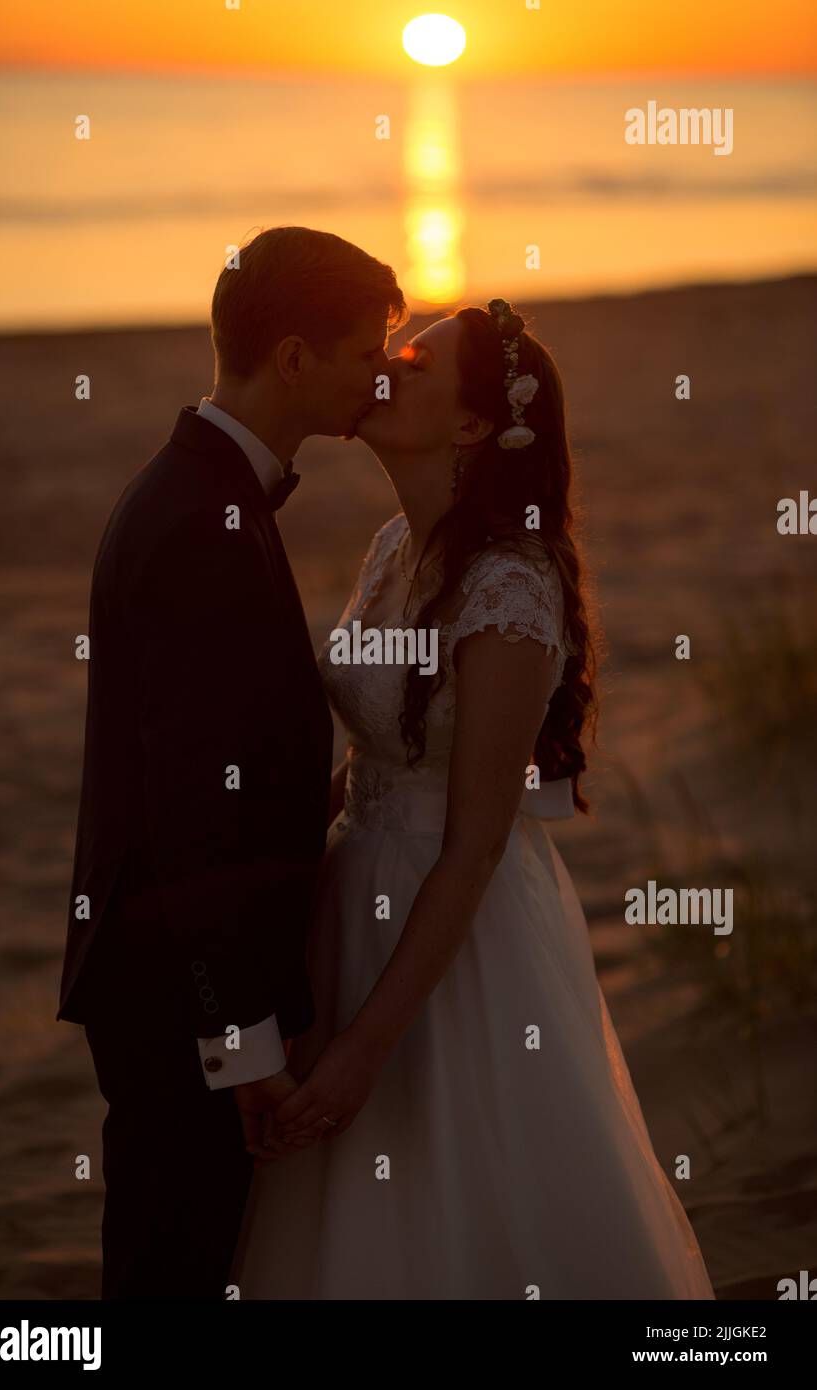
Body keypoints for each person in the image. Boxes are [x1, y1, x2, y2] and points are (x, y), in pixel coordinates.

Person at [232, 298, 717, 1299]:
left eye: (414, 362)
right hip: (350, 904)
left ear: (468, 427)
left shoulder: (510, 590)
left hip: (455, 933)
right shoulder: (389, 553)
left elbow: (475, 846)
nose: (386, 365)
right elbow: (372, 753)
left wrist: (365, 1048)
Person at [55, 225, 407, 1299]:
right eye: (365, 353)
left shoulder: (205, 489)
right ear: (295, 359)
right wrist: (242, 1040)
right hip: (175, 992)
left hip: (177, 980)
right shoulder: (198, 521)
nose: (382, 379)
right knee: (170, 1268)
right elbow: (190, 807)